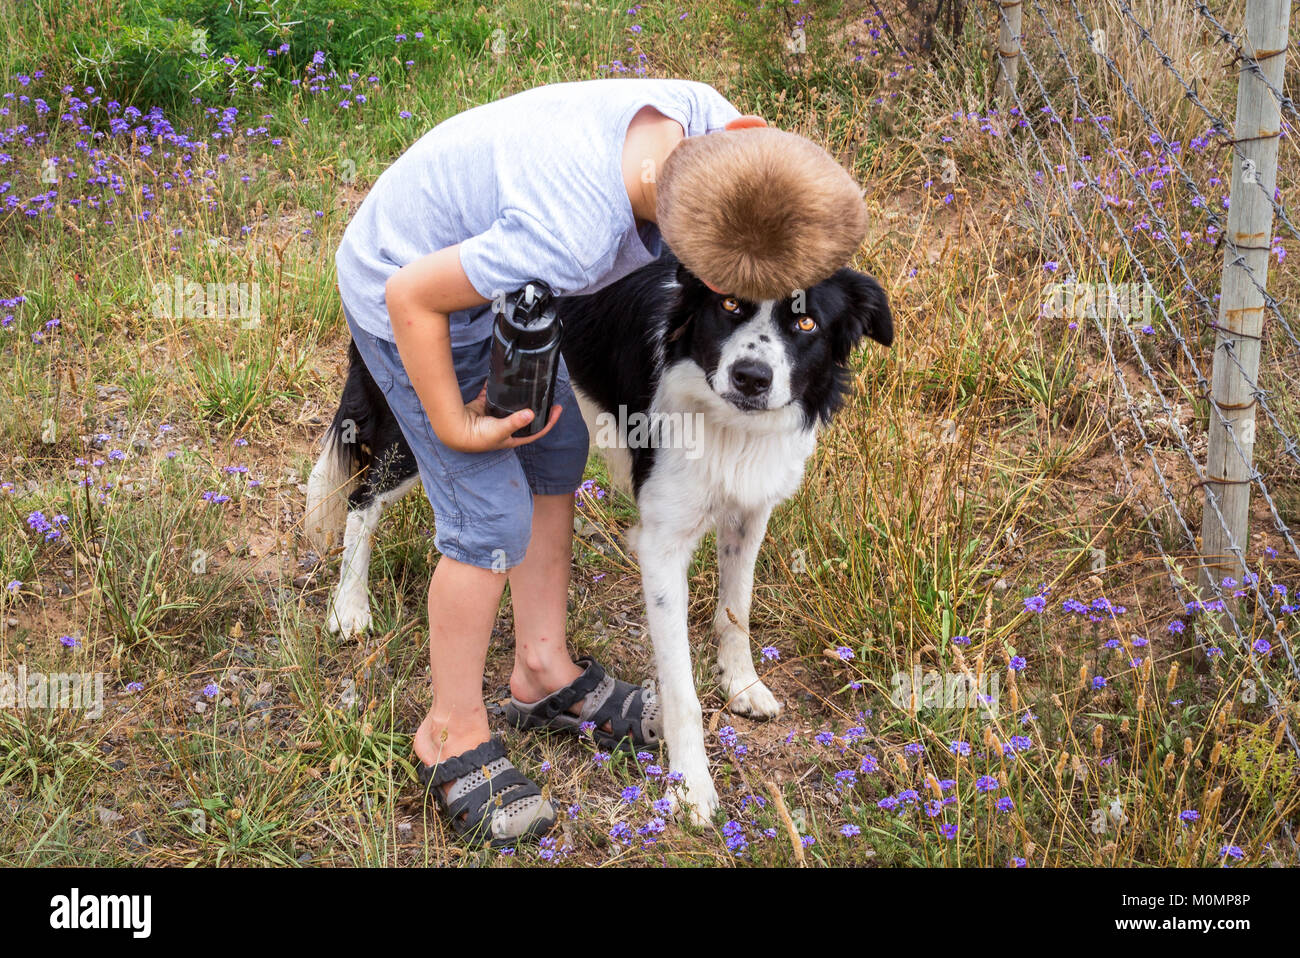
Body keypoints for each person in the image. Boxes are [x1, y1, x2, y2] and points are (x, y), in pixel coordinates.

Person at [333, 77, 869, 846]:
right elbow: (414, 294)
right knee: (488, 512)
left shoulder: (721, 132)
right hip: (408, 283)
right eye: (724, 292)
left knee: (556, 446)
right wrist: (455, 425)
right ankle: (449, 731)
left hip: (503, 278)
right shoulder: (573, 231)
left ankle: (542, 670)